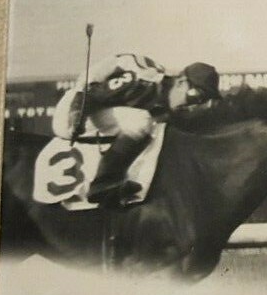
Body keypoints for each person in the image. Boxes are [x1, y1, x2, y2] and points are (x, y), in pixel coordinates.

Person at [50, 54, 222, 205]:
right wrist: (75, 117)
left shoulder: (166, 101)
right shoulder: (142, 82)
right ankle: (102, 184)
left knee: (157, 128)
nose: (196, 104)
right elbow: (90, 94)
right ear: (181, 82)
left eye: (203, 101)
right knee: (142, 120)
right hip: (75, 111)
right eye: (197, 96)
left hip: (100, 116)